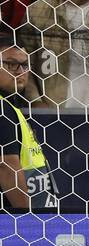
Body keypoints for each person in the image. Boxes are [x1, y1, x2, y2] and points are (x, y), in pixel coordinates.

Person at [0, 40, 54, 211]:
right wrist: (27, 221)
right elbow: (6, 167)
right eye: (11, 64)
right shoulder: (2, 109)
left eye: (25, 65)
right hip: (14, 225)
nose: (20, 72)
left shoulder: (10, 107)